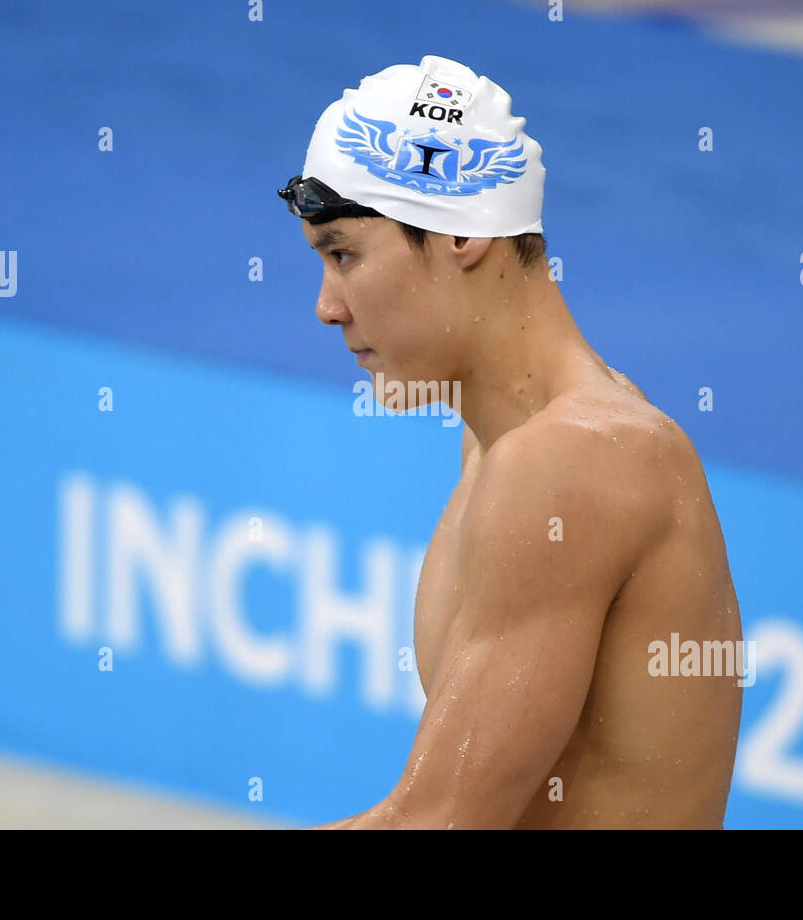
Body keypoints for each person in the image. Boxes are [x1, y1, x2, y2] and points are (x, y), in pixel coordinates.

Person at [278, 55, 743, 828]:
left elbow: (438, 821)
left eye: (344, 254)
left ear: (462, 232)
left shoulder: (576, 460)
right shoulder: (499, 446)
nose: (327, 307)